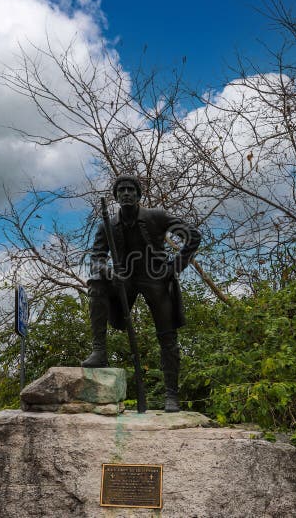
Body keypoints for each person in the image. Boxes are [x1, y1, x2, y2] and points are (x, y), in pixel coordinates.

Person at [81, 175, 201, 413]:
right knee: (96, 281)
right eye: (121, 190)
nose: (126, 193)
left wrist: (174, 268)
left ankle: (171, 395)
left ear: (138, 195)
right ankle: (99, 351)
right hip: (123, 280)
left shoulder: (157, 216)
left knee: (167, 337)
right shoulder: (107, 225)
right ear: (116, 196)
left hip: (156, 279)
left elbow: (193, 236)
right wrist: (109, 272)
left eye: (131, 189)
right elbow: (96, 260)